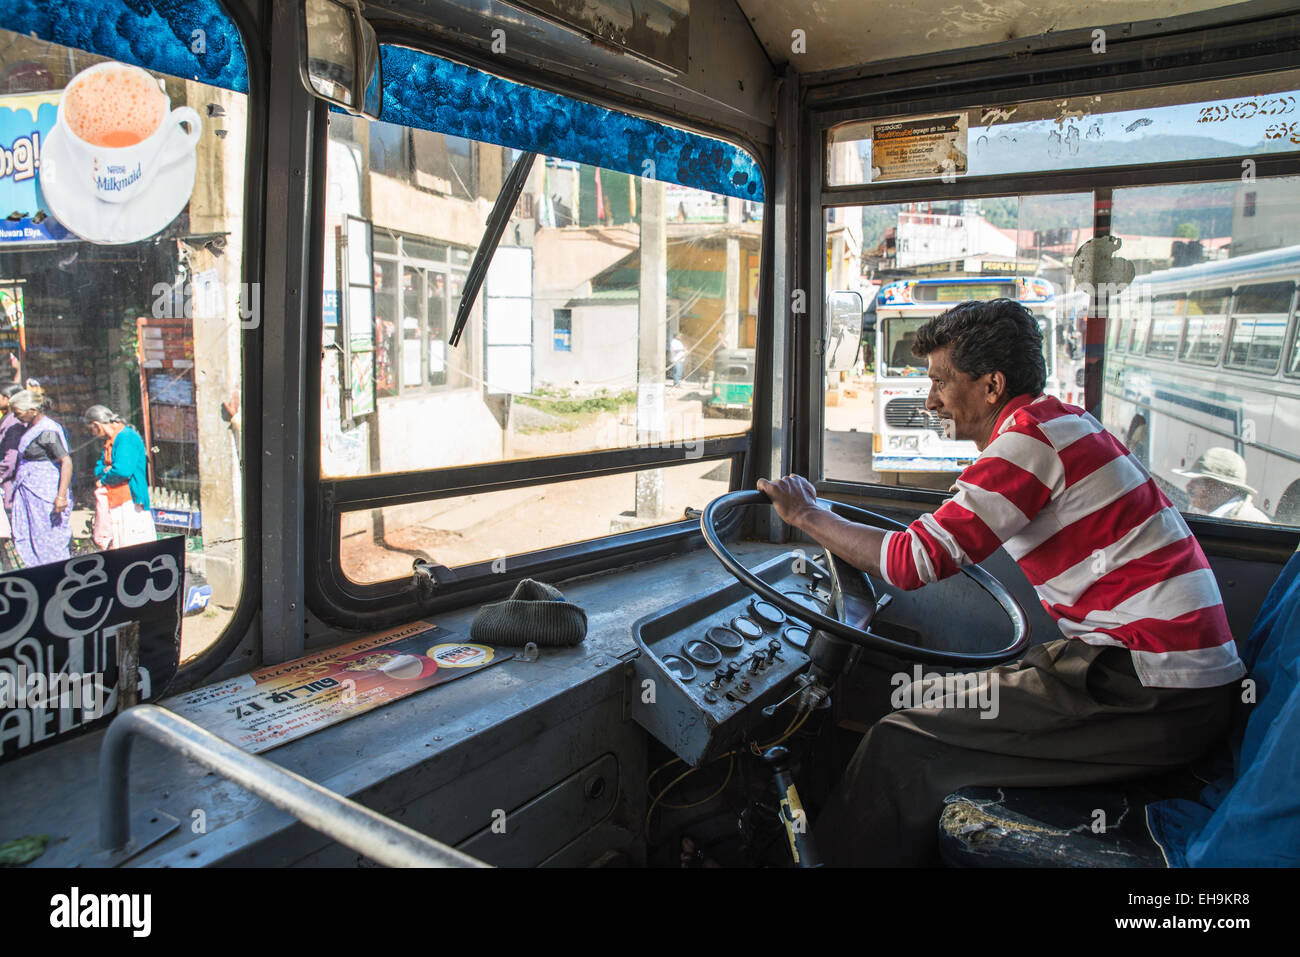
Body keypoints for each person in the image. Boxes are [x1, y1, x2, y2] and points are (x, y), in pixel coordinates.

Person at [759, 299, 1244, 867]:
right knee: (927, 696)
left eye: (942, 381)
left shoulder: (1027, 443)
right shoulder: (1061, 422)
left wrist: (808, 517)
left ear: (991, 385)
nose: (930, 399)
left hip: (1151, 688)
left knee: (901, 741)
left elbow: (910, 562)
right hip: (1153, 671)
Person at [9, 389, 72, 566]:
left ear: (33, 410)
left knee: (48, 537)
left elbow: (66, 462)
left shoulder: (48, 431)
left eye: (18, 413)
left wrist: (61, 496)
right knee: (32, 534)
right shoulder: (30, 427)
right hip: (30, 491)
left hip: (45, 491)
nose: (16, 417)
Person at [84, 404, 156, 549]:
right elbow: (98, 467)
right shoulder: (111, 441)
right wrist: (108, 470)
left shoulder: (126, 437)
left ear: (97, 425)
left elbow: (122, 471)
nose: (93, 435)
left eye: (92, 430)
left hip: (130, 501)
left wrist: (104, 479)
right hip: (116, 500)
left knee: (133, 547)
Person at [1176, 447, 1271, 523]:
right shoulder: (1208, 513)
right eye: (1192, 480)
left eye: (1198, 482)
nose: (1188, 486)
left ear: (1226, 489)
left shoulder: (1248, 523)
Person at [0, 383, 23, 569]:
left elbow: (11, 459)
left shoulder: (13, 424)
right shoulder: (9, 420)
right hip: (7, 482)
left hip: (9, 484)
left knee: (11, 532)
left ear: (7, 398)